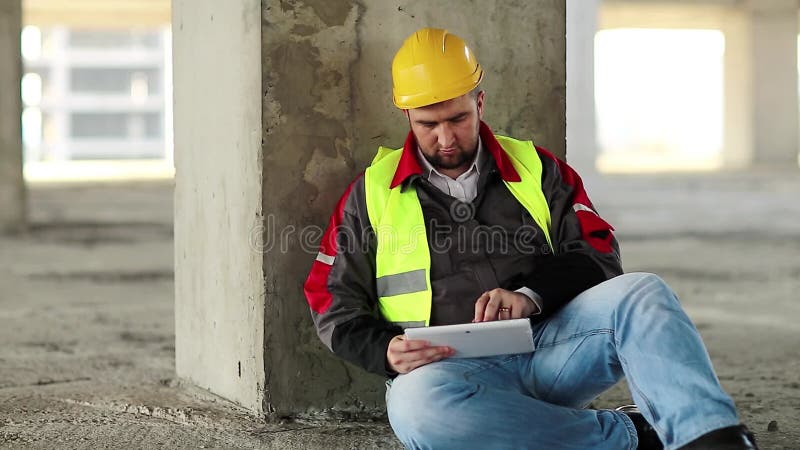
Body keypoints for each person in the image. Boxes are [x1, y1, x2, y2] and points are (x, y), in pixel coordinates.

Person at [304, 27, 758, 450]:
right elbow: (330, 299)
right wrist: (384, 350)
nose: (445, 137)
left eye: (458, 118)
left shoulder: (537, 168)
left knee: (642, 293)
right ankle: (631, 435)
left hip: (554, 348)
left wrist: (531, 296)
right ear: (406, 115)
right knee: (416, 410)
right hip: (447, 376)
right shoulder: (370, 194)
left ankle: (711, 436)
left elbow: (598, 254)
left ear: (480, 102)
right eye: (428, 124)